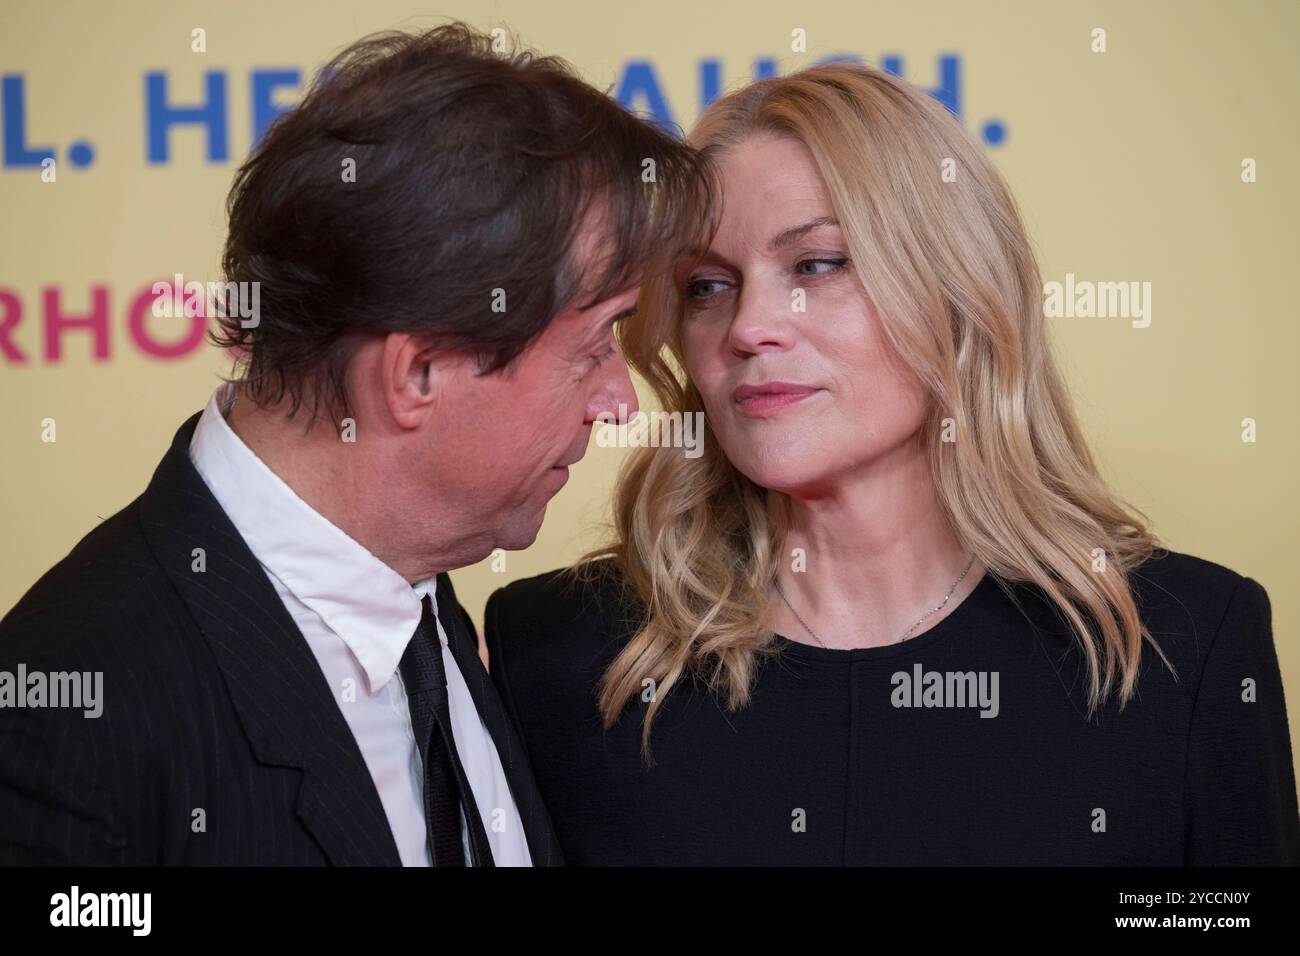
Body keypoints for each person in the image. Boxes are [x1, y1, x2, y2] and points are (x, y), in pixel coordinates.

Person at [485, 61, 1300, 865]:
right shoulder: (556, 649)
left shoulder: (1183, 642)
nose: (750, 326)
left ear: (955, 292)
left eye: (816, 265)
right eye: (707, 285)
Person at [0, 23, 712, 866]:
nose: (618, 400)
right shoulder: (67, 729)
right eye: (596, 344)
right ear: (418, 375)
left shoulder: (429, 593)